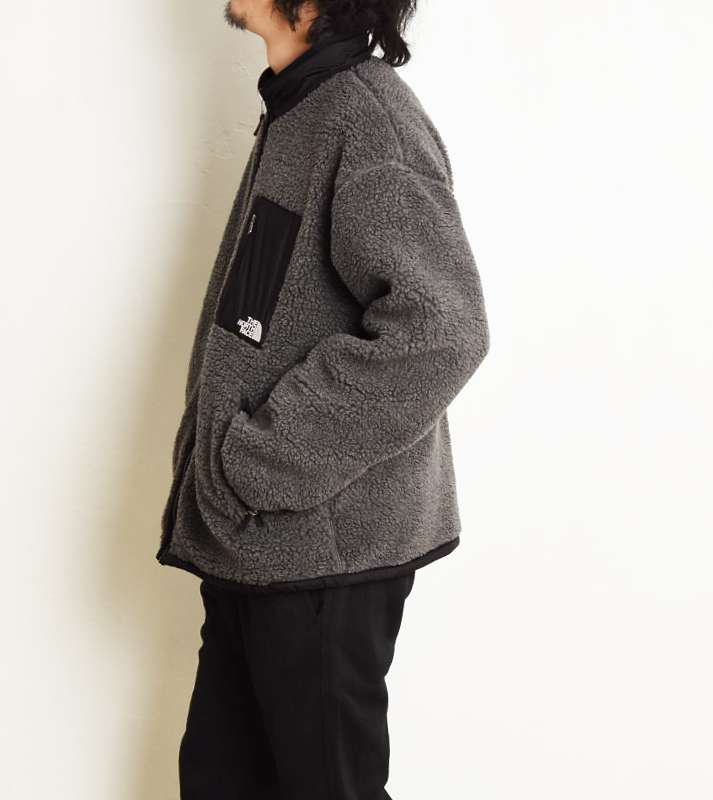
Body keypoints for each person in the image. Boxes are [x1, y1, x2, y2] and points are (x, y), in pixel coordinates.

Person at [157, 1, 491, 797]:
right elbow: (259, 316)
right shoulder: (302, 106)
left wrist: (259, 463)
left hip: (319, 562)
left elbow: (443, 329)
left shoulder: (367, 120)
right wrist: (229, 476)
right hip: (257, 545)